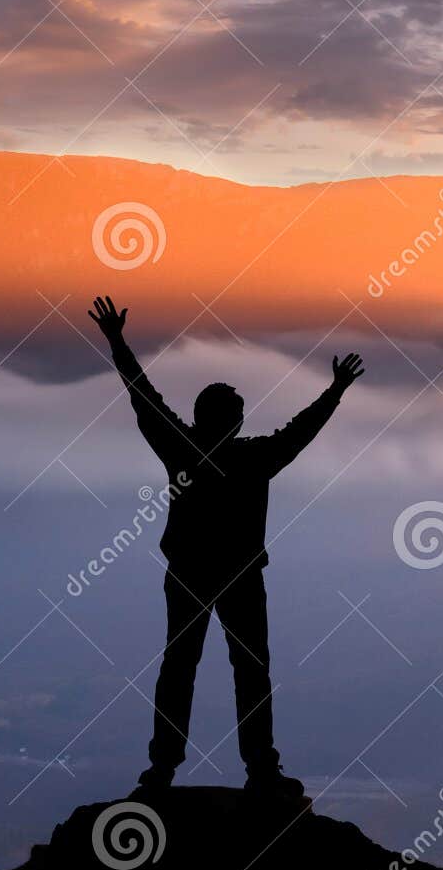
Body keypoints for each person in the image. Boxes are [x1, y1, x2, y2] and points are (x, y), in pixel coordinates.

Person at [87, 295, 364, 801]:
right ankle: (261, 770)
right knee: (250, 670)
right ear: (236, 422)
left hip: (189, 574)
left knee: (180, 667)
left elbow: (142, 396)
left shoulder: (181, 446)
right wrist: (336, 390)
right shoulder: (254, 458)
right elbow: (299, 432)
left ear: (199, 418)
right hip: (239, 577)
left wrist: (117, 341)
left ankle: (163, 771)